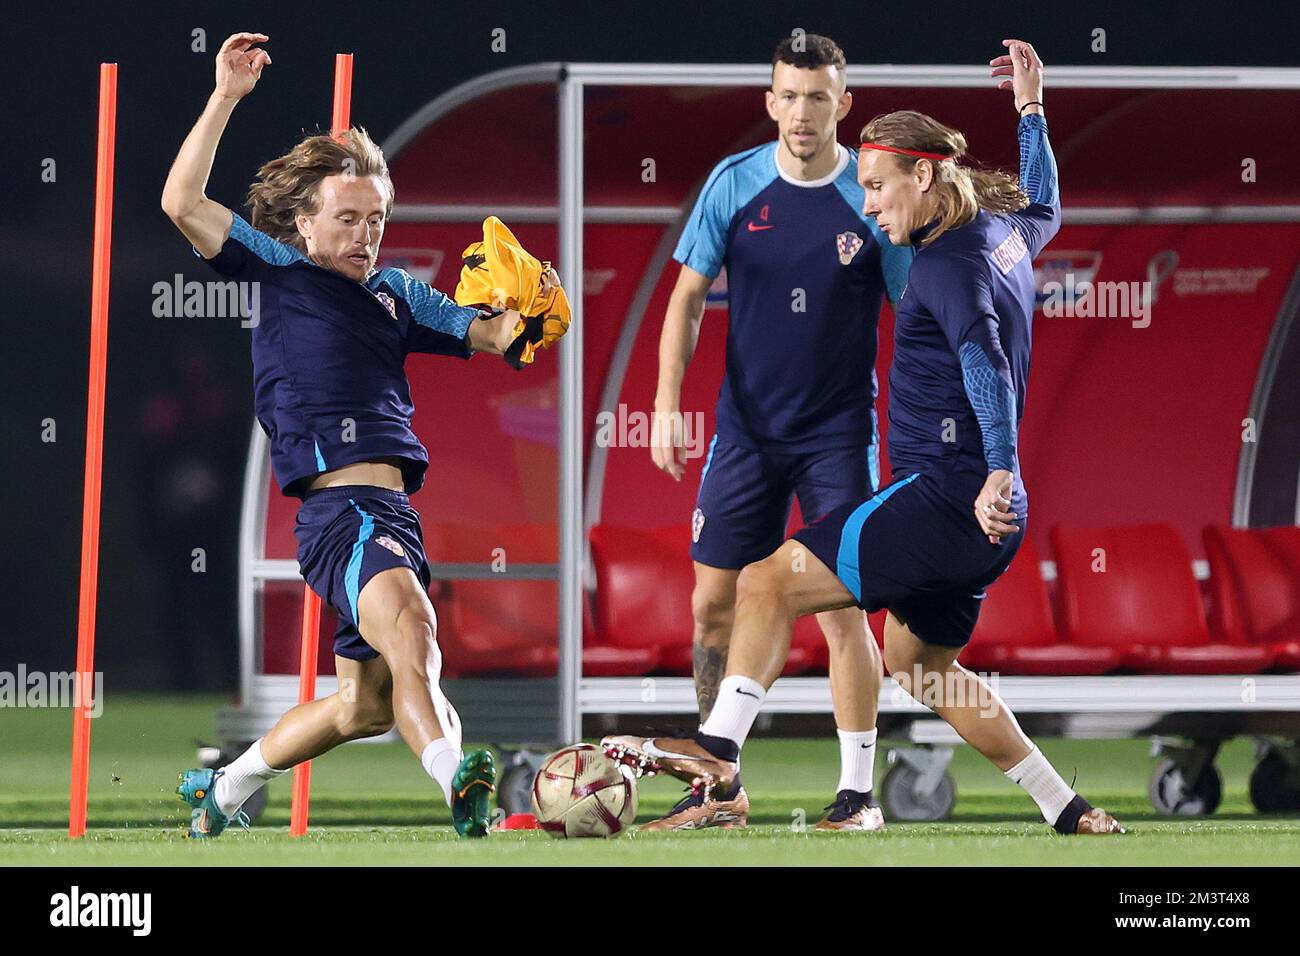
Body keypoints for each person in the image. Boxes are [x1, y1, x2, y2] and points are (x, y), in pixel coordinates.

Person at [606, 39, 1124, 836]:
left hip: (948, 498)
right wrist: (1031, 109)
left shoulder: (946, 265)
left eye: (879, 188)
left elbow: (985, 361)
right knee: (924, 672)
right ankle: (1068, 807)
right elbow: (1048, 198)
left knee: (767, 583)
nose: (870, 206)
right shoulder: (1008, 231)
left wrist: (998, 470)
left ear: (923, 176)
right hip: (983, 525)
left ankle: (717, 755)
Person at [162, 33, 558, 838]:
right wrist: (227, 98)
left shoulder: (397, 295)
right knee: (415, 628)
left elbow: (491, 335)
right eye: (346, 219)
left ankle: (221, 789)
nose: (364, 235)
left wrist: (536, 311)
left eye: (376, 219)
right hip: (342, 515)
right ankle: (461, 782)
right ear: (303, 223)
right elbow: (180, 203)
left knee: (363, 705)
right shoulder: (278, 272)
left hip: (392, 514)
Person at [639, 34, 913, 831]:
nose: (802, 112)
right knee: (711, 607)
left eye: (818, 97)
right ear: (769, 102)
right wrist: (663, 401)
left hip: (837, 438)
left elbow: (915, 310)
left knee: (840, 613)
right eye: (789, 96)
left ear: (843, 104)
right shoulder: (733, 184)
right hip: (747, 435)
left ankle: (858, 795)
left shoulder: (869, 193)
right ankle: (717, 787)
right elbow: (686, 300)